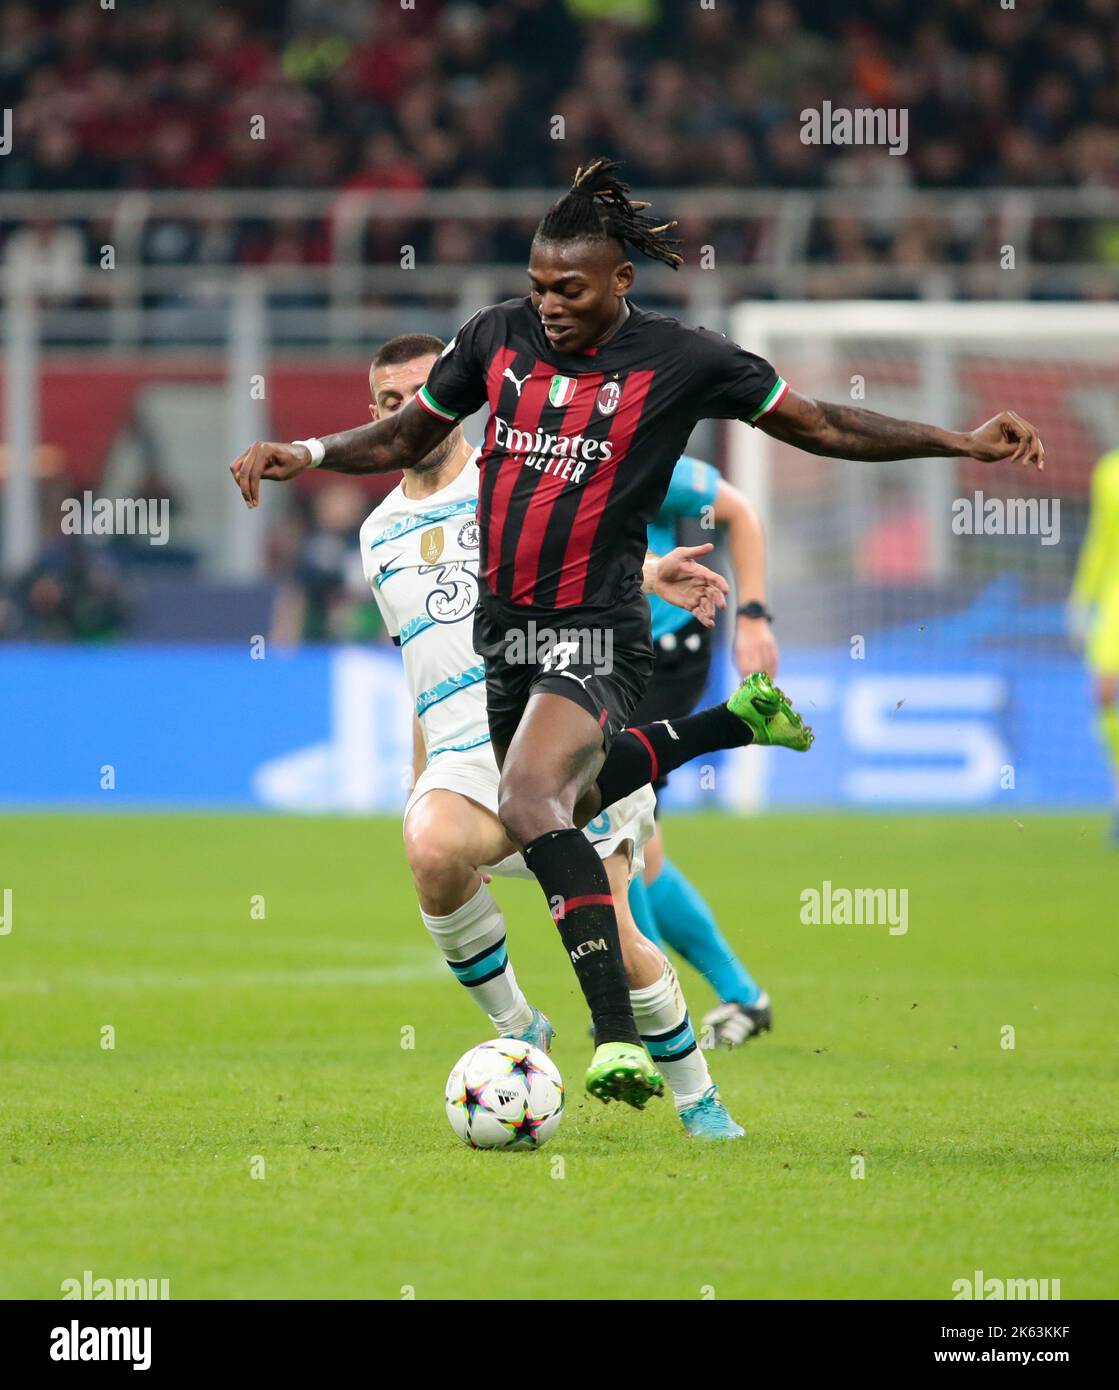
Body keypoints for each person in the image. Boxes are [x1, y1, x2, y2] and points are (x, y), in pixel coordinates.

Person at [230, 156, 1043, 1112]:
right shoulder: (496, 339)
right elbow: (407, 436)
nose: (550, 306)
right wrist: (311, 452)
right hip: (510, 637)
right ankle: (732, 726)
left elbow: (821, 427)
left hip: (603, 628)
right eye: (537, 286)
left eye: (569, 288)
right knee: (551, 800)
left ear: (620, 279)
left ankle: (610, 1041)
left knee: (533, 795)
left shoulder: (683, 360)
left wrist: (955, 441)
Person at [362, 333, 764, 1136]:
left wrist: (652, 576)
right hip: (460, 757)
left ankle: (698, 1099)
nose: (405, 413)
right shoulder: (376, 534)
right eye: (385, 403)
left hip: (552, 733)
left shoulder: (515, 477)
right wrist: (419, 778)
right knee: (429, 847)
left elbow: (583, 566)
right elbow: (415, 663)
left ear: (452, 392)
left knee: (615, 930)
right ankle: (519, 1031)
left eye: (417, 393)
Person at [628, 455, 780, 1047]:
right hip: (593, 649)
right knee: (640, 845)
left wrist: (753, 617)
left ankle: (649, 1007)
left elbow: (739, 512)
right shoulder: (536, 459)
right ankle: (742, 997)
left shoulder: (638, 454)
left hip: (665, 649)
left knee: (614, 828)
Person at [1070, 447, 1119, 843]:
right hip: (1114, 598)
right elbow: (1101, 540)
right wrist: (1081, 600)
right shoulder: (1108, 471)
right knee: (1102, 693)